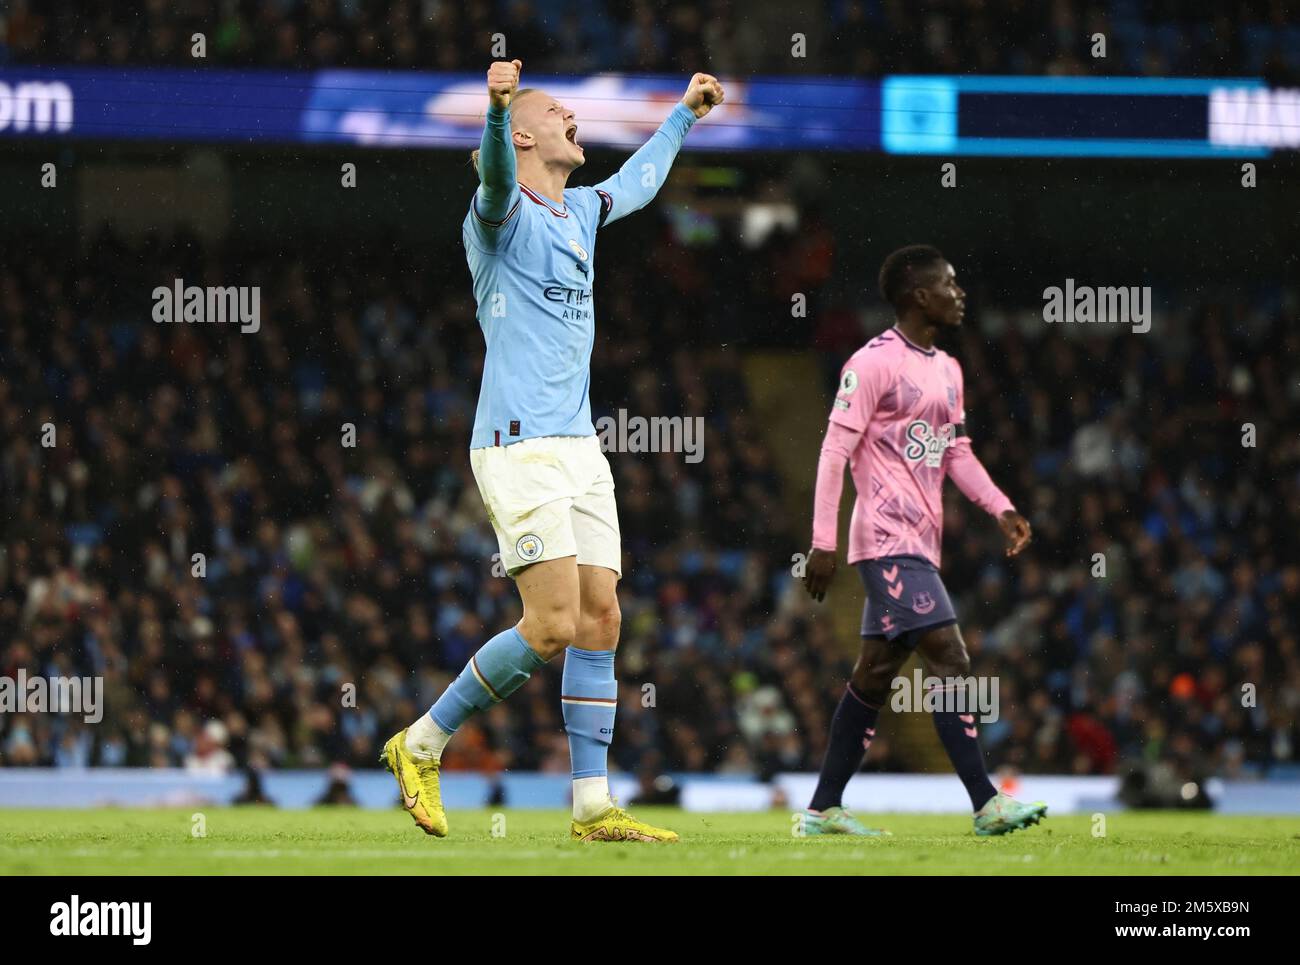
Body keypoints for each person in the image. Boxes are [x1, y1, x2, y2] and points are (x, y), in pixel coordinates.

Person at [381, 59, 724, 842]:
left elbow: (635, 183)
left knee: (603, 615)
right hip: (518, 445)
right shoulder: (496, 216)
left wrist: (683, 114)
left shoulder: (581, 212)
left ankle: (593, 803)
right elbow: (498, 175)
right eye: (558, 111)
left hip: (578, 444)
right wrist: (499, 109)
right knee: (552, 624)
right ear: (529, 134)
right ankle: (421, 741)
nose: (575, 117)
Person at [800, 245, 1048, 837]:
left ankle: (821, 810)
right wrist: (822, 541)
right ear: (919, 295)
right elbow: (835, 450)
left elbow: (955, 452)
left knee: (874, 677)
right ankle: (987, 802)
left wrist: (1000, 506)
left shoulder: (948, 369)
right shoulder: (872, 362)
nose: (959, 294)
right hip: (885, 539)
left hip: (922, 541)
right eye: (949, 284)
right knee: (950, 655)